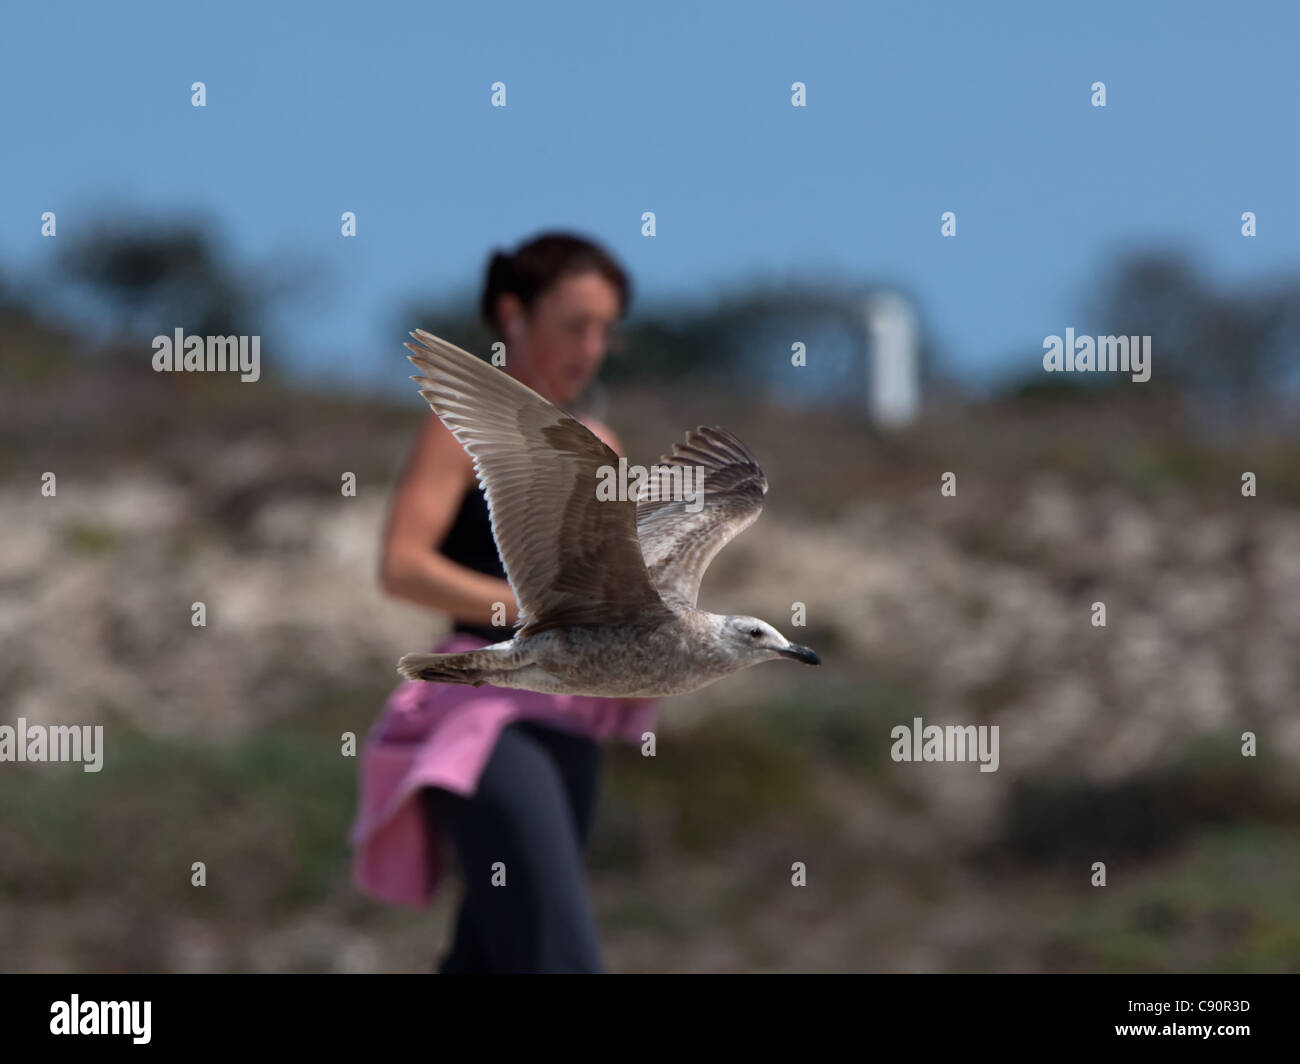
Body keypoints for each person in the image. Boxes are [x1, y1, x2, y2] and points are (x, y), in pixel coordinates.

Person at [348, 232, 658, 973]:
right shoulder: (461, 427)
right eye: (573, 325)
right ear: (514, 316)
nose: (591, 347)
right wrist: (532, 612)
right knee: (559, 956)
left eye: (605, 330)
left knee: (491, 954)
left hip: (575, 718)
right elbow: (403, 568)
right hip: (486, 718)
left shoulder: (602, 443)